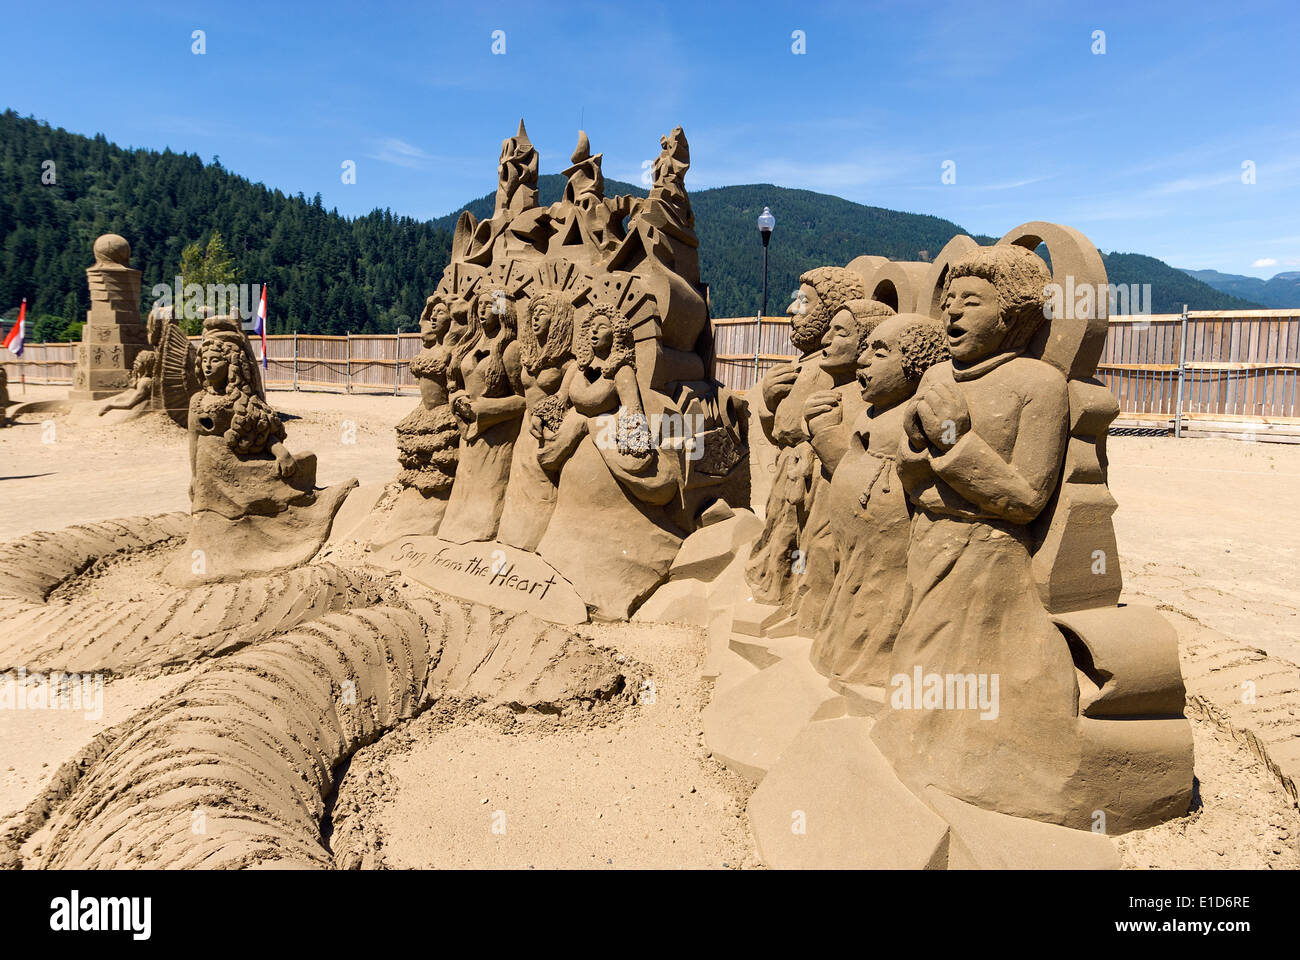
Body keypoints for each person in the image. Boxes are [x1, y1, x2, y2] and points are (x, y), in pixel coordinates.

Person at [872, 244, 1080, 820]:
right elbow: (907, 468)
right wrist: (918, 448)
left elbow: (1025, 497)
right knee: (914, 671)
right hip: (926, 543)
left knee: (949, 679)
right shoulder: (938, 374)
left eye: (973, 301)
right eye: (949, 301)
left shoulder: (1037, 385)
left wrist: (954, 442)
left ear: (1012, 314)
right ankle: (914, 760)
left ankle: (947, 776)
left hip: (985, 561)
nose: (953, 314)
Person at [808, 313, 947, 683]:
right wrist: (824, 432)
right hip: (855, 548)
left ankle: (869, 666)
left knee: (876, 608)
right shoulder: (870, 411)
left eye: (880, 353)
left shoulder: (914, 414)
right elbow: (847, 462)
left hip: (887, 550)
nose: (863, 360)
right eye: (866, 349)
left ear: (918, 366)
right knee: (850, 600)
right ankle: (839, 653)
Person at [438, 291, 525, 542]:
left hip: (498, 436)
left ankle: (483, 533)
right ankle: (455, 534)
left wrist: (485, 409)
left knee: (489, 493)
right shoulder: (469, 346)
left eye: (490, 305)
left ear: (503, 310)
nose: (483, 310)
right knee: (465, 488)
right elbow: (454, 386)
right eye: (481, 305)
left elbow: (523, 400)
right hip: (469, 431)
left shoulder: (510, 349)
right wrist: (458, 400)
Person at [497, 290, 576, 550]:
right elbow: (520, 393)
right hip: (525, 433)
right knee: (518, 490)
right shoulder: (527, 358)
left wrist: (545, 414)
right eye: (533, 313)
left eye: (543, 313)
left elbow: (565, 398)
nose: (535, 318)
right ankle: (512, 539)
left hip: (547, 434)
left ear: (559, 318)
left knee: (542, 491)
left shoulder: (568, 363)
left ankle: (536, 542)